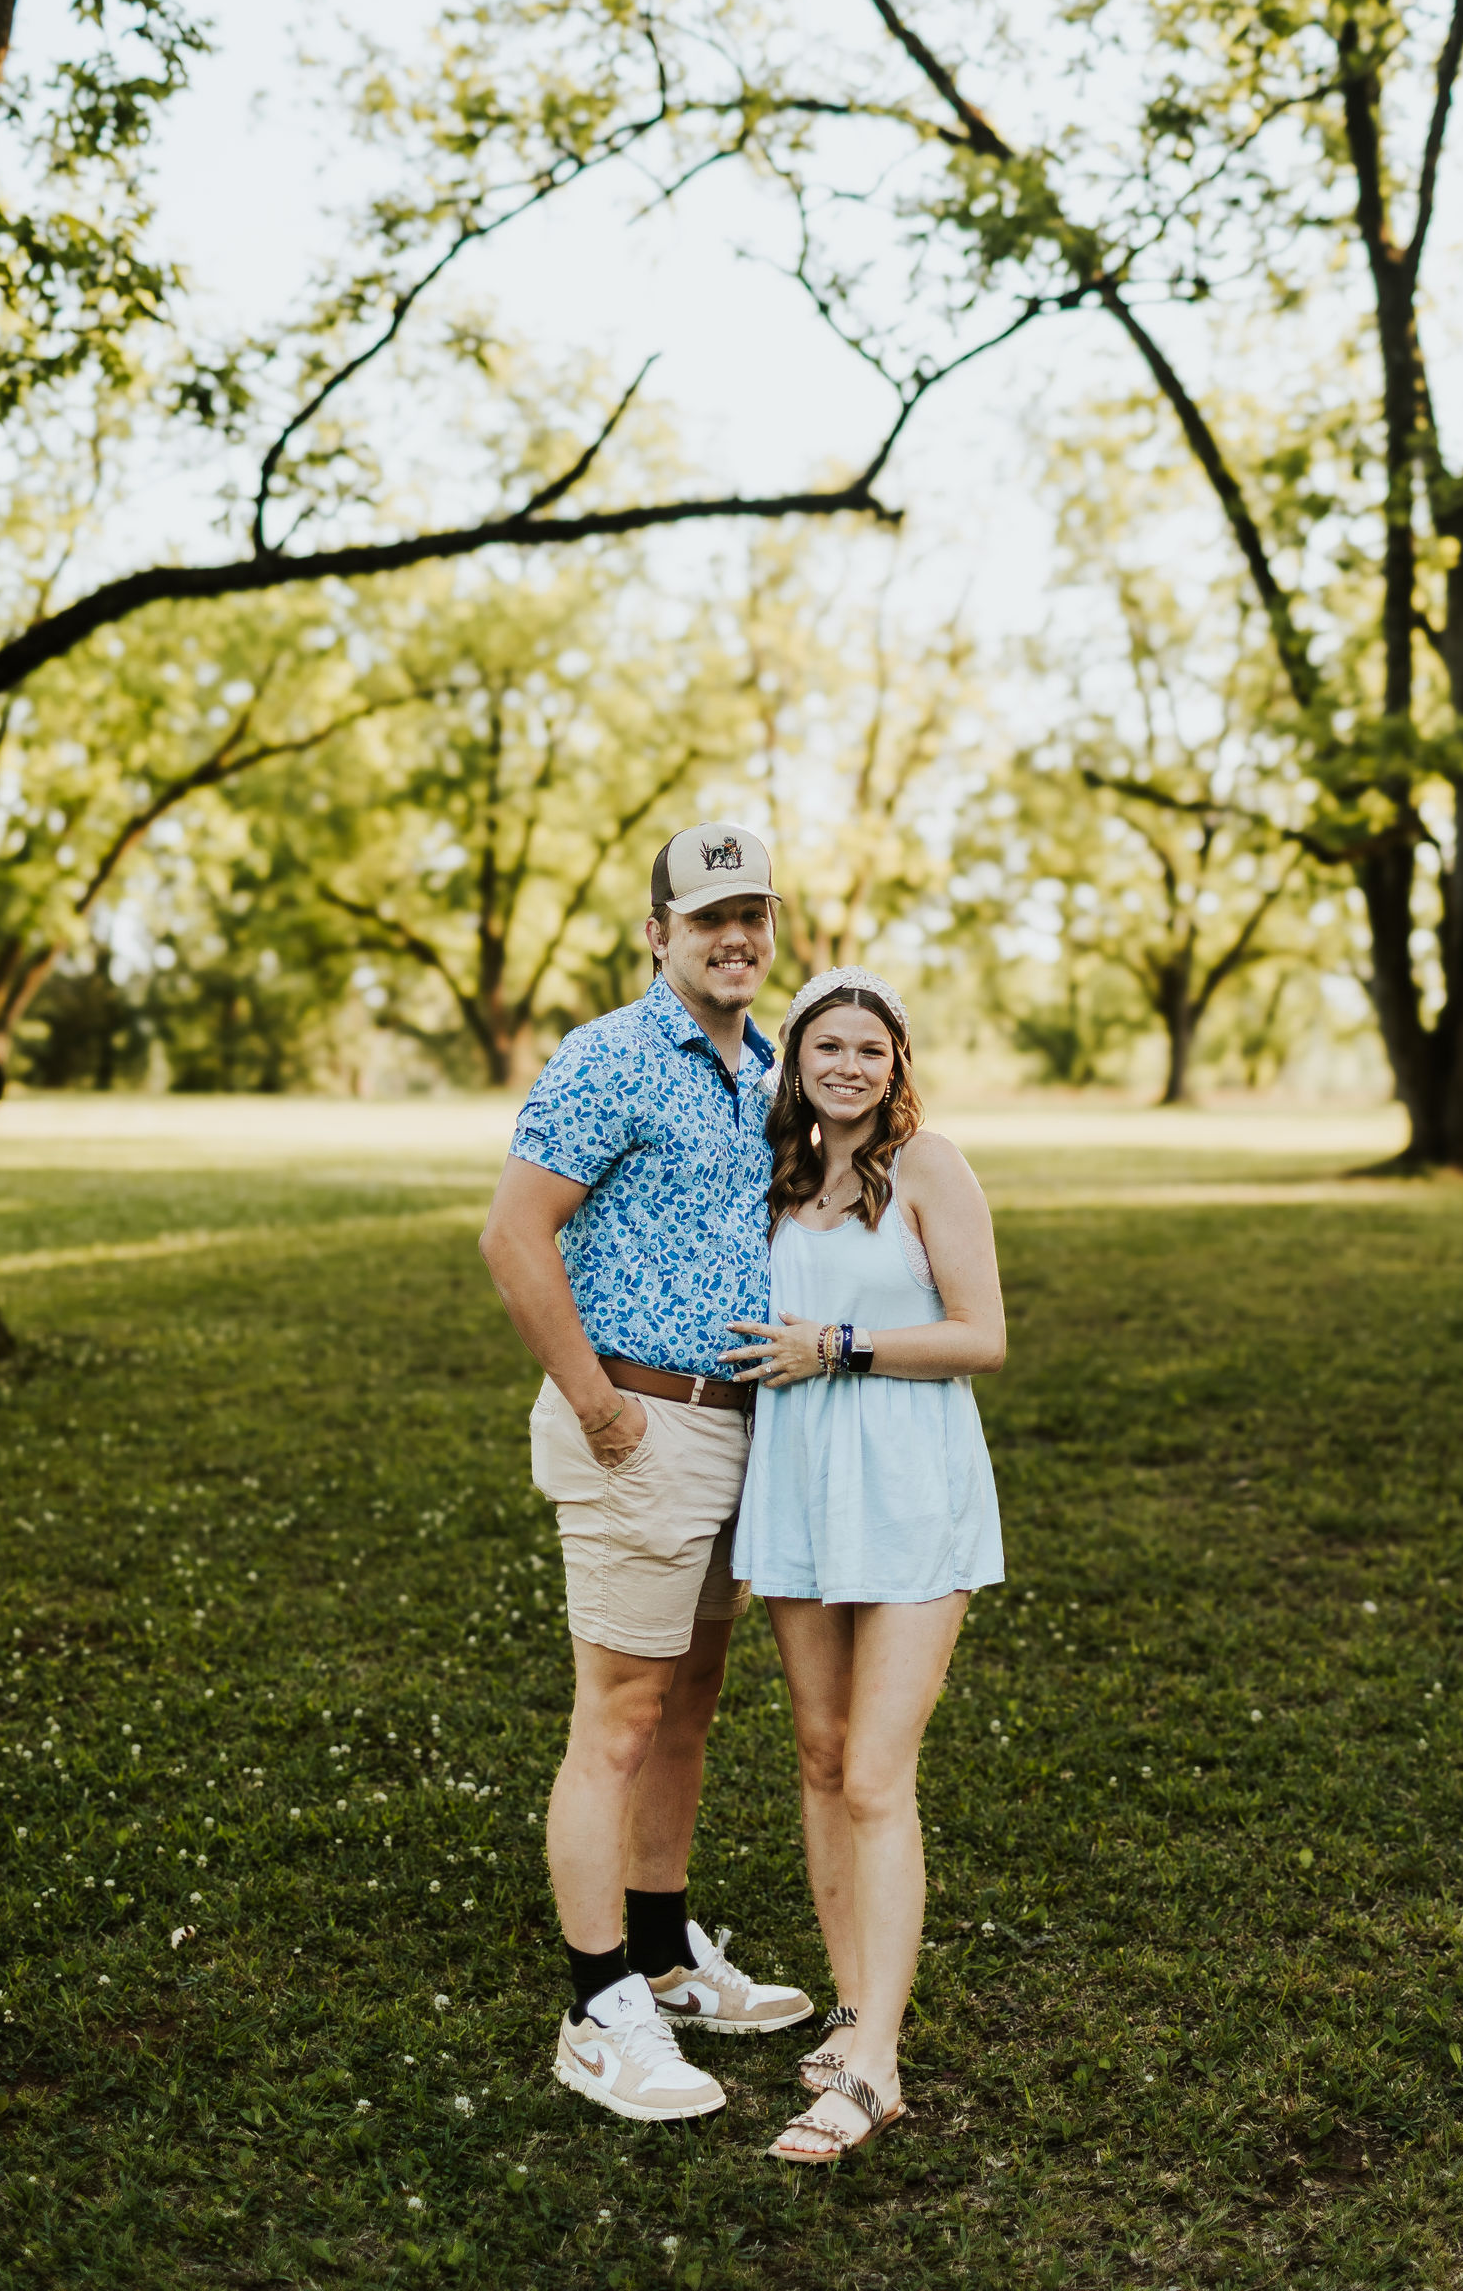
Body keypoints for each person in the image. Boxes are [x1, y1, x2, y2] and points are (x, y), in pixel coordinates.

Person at [479, 822, 813, 2125]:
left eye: (752, 915)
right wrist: (596, 1405)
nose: (735, 938)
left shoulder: (770, 1068)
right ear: (658, 933)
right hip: (638, 1424)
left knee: (688, 1703)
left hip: (740, 1431)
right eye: (709, 917)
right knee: (618, 1716)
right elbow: (514, 1234)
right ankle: (595, 2008)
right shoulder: (608, 1056)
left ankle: (667, 1957)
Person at [721, 966, 1006, 2162]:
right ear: (794, 1060)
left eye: (869, 1050)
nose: (847, 1067)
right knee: (821, 1757)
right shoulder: (779, 1176)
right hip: (802, 1493)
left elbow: (982, 1337)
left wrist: (837, 1344)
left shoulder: (929, 1166)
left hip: (909, 1492)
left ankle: (875, 2067)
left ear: (896, 1068)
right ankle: (849, 2012)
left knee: (878, 1777)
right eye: (826, 1047)